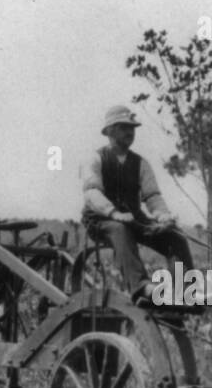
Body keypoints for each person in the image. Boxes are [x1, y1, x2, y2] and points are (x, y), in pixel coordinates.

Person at [81, 104, 195, 305]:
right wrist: (114, 213)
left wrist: (163, 215)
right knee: (120, 228)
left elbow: (152, 196)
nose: (130, 132)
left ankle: (185, 291)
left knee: (174, 236)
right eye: (124, 127)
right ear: (109, 131)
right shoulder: (95, 158)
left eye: (132, 128)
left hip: (134, 218)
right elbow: (92, 192)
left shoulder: (141, 163)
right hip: (101, 219)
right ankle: (142, 287)